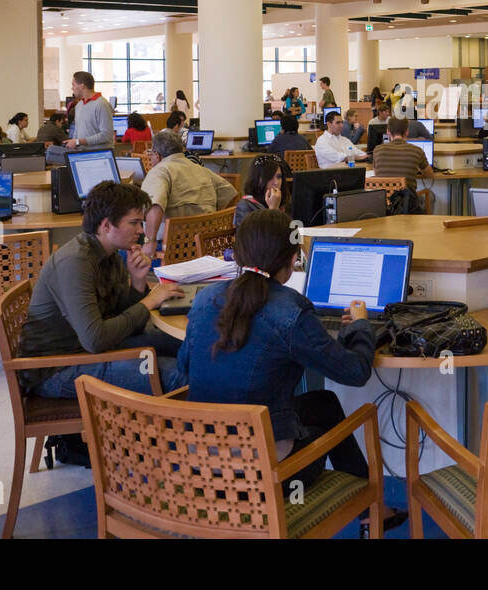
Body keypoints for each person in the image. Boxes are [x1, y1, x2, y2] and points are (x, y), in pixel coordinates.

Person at [179, 209, 405, 530]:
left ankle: (373, 511)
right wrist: (362, 327)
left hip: (199, 465)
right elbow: (355, 372)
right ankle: (368, 506)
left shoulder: (204, 300)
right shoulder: (291, 311)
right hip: (261, 478)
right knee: (328, 419)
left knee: (323, 404)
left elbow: (185, 370)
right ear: (292, 259)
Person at [20, 181, 186, 405]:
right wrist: (148, 301)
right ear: (106, 225)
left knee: (189, 344)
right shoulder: (75, 262)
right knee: (181, 376)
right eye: (135, 223)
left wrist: (137, 282)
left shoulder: (112, 254)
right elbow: (95, 340)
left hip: (86, 350)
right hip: (54, 369)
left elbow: (127, 328)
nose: (141, 231)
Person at [139, 130, 238, 260]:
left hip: (170, 252)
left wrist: (149, 242)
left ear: (157, 155)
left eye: (150, 154)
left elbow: (155, 207)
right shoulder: (202, 170)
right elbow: (232, 195)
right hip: (204, 249)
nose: (150, 158)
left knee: (124, 251)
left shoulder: (159, 171)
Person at [371, 115, 431, 189]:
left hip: (383, 199)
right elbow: (429, 175)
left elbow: (376, 174)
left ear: (388, 132)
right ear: (406, 132)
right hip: (407, 199)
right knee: (429, 196)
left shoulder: (377, 150)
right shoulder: (417, 151)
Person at [65, 71, 115, 149]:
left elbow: (106, 135)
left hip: (99, 156)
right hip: (82, 154)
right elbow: (77, 131)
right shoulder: (79, 105)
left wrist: (78, 141)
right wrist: (73, 142)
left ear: (82, 86)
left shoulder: (102, 104)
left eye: (73, 85)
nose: (72, 88)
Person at [235, 154, 286, 227]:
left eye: (279, 177)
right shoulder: (246, 205)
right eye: (270, 177)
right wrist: (274, 209)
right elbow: (257, 237)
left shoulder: (284, 200)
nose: (276, 182)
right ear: (258, 179)